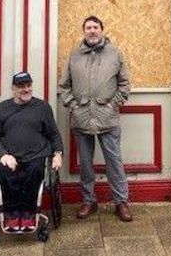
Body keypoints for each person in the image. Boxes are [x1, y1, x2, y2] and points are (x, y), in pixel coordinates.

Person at [58, 15, 133, 222]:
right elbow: (64, 86)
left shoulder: (114, 53)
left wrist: (113, 104)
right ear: (84, 31)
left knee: (114, 162)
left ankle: (121, 202)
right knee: (85, 164)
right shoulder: (74, 56)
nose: (92, 30)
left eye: (95, 27)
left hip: (108, 118)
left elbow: (125, 84)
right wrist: (73, 105)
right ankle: (89, 201)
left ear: (101, 30)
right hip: (81, 118)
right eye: (88, 27)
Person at [0, 71, 64, 231]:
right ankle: (12, 213)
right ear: (13, 89)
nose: (26, 89)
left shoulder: (43, 107)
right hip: (10, 156)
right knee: (5, 172)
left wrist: (58, 153)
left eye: (28, 85)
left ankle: (29, 213)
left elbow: (54, 134)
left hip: (36, 155)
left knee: (34, 172)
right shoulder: (2, 108)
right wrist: (3, 155)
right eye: (21, 86)